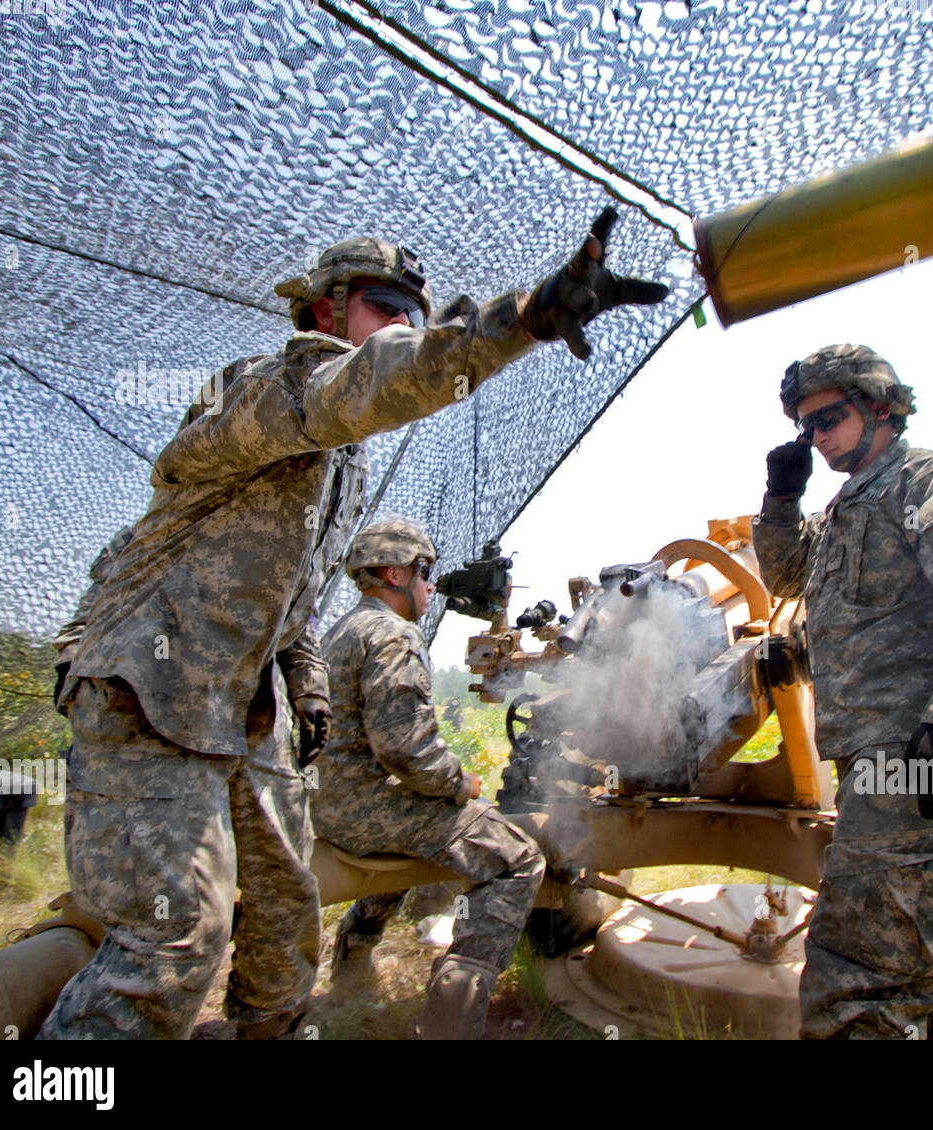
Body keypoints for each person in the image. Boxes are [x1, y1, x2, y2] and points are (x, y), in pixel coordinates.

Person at [39, 213, 666, 1040]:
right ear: (324, 312)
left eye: (416, 312)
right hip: (150, 694)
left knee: (284, 918)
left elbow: (286, 604)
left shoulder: (339, 461)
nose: (403, 324)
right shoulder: (271, 387)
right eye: (383, 305)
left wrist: (305, 686)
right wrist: (526, 317)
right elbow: (365, 384)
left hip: (241, 711)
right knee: (176, 940)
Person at [752, 344, 933, 1040]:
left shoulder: (932, 484)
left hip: (920, 752)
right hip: (876, 761)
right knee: (917, 969)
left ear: (879, 404)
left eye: (828, 418)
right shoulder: (850, 508)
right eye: (805, 428)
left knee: (855, 977)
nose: (816, 438)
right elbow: (788, 577)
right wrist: (781, 501)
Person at [310, 517, 545, 1040]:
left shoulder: (341, 631)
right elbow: (405, 749)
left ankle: (351, 975)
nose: (430, 585)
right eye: (424, 573)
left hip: (327, 803)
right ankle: (450, 1021)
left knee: (421, 845)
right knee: (518, 859)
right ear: (394, 575)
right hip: (367, 808)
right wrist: (462, 783)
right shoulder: (392, 635)